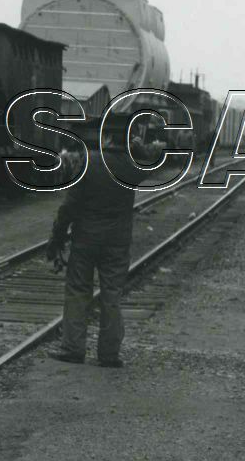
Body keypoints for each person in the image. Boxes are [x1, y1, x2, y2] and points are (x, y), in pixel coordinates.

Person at [46, 117, 170, 367]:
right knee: (112, 295)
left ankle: (73, 348)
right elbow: (156, 162)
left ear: (107, 137)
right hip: (117, 242)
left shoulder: (89, 161)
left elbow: (69, 205)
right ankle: (109, 354)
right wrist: (138, 148)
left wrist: (57, 237)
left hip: (85, 239)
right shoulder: (131, 167)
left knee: (78, 291)